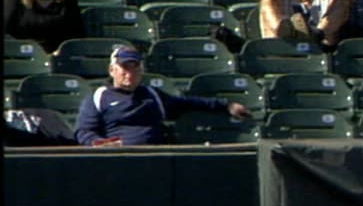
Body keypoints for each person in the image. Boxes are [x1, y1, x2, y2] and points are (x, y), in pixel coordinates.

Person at [74, 45, 251, 146]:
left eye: (135, 67)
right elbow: (83, 131)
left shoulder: (151, 94)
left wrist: (225, 105)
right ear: (112, 70)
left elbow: (186, 103)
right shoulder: (98, 97)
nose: (130, 73)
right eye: (124, 67)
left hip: (156, 156)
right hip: (119, 158)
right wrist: (100, 144)